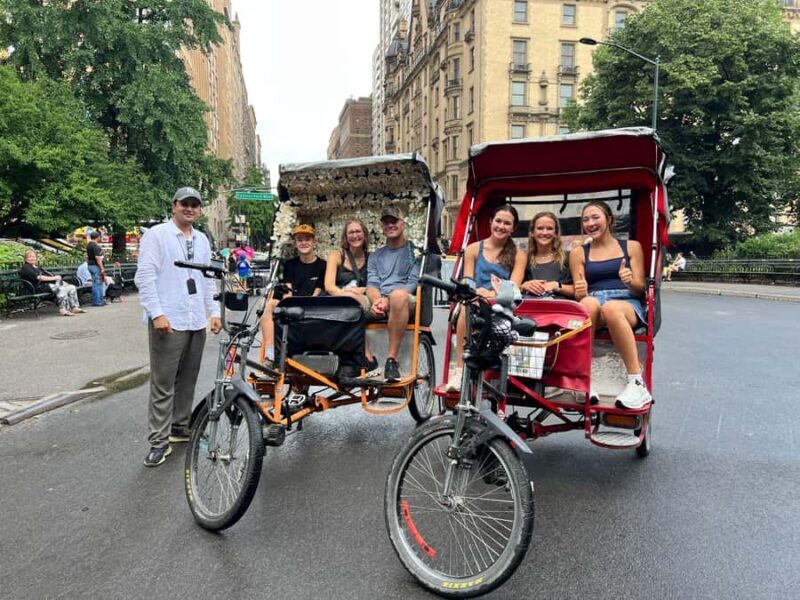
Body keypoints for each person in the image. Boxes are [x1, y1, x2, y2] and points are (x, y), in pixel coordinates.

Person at [135, 186, 222, 467]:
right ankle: (158, 442)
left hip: (194, 319)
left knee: (188, 378)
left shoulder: (202, 240)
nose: (190, 208)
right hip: (168, 319)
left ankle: (179, 427)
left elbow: (208, 278)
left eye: (194, 204)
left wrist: (214, 311)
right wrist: (156, 313)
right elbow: (145, 277)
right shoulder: (157, 235)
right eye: (185, 203)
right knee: (163, 382)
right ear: (174, 205)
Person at [570, 200, 651, 410]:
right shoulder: (579, 252)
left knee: (611, 308)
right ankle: (583, 378)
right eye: (586, 219)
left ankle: (636, 382)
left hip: (626, 301)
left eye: (595, 217)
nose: (590, 223)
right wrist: (580, 293)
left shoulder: (631, 247)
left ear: (609, 219)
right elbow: (581, 293)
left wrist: (629, 280)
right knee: (587, 303)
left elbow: (639, 288)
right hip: (594, 300)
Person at [446, 204, 526, 390]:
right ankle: (459, 370)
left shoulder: (519, 255)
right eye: (498, 221)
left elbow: (514, 285)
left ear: (513, 228)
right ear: (491, 222)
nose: (501, 226)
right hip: (475, 301)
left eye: (507, 223)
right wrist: (477, 292)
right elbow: (468, 280)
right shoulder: (473, 249)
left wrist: (493, 294)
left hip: (502, 305)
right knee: (466, 305)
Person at [366, 205, 421, 382]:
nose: (390, 225)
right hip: (381, 298)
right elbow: (372, 283)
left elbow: (412, 283)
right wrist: (376, 301)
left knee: (398, 296)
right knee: (352, 300)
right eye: (386, 222)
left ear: (403, 224)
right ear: (382, 227)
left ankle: (391, 360)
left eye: (394, 221)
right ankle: (363, 358)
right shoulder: (375, 256)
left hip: (404, 298)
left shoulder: (415, 252)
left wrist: (388, 300)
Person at [260, 224, 326, 362]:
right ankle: (270, 351)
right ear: (295, 244)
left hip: (314, 304)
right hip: (294, 303)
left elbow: (317, 291)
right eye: (300, 240)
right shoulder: (290, 265)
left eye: (307, 239)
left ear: (314, 243)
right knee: (269, 304)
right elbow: (288, 291)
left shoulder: (322, 265)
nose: (304, 243)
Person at [324, 218, 377, 371]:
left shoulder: (372, 257)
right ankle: (364, 354)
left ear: (365, 235)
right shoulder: (336, 255)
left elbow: (375, 284)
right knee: (351, 301)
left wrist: (363, 290)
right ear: (346, 237)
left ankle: (363, 355)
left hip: (362, 299)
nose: (355, 236)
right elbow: (329, 286)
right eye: (351, 232)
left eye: (358, 231)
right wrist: (346, 294)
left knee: (356, 302)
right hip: (337, 298)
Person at [521, 211, 574, 299]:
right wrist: (524, 286)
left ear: (556, 233)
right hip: (533, 309)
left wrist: (557, 286)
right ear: (532, 232)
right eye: (540, 228)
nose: (545, 233)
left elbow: (579, 292)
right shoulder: (524, 259)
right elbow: (513, 287)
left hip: (561, 309)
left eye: (549, 228)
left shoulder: (568, 257)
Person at [19, 250, 83, 316]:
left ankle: (74, 307)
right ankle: (63, 310)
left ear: (36, 258)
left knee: (71, 287)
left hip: (47, 285)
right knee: (61, 289)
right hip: (38, 288)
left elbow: (49, 276)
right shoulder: (26, 267)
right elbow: (39, 277)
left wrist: (61, 281)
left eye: (33, 256)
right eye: (29, 257)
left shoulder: (38, 268)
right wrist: (55, 278)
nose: (32, 258)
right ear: (26, 258)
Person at [86, 230, 106, 307]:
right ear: (97, 237)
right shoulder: (95, 246)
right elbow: (97, 258)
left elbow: (87, 257)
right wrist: (102, 268)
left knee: (95, 283)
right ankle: (98, 301)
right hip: (95, 266)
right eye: (100, 237)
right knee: (98, 283)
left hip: (90, 265)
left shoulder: (88, 245)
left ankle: (97, 300)